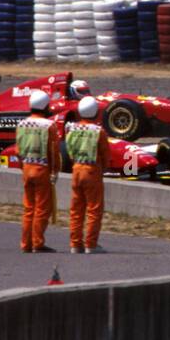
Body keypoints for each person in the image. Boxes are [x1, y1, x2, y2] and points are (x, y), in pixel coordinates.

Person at [15, 91, 60, 253]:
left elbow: (17, 150)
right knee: (42, 208)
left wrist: (23, 167)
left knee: (28, 208)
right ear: (45, 106)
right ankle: (37, 243)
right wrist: (55, 171)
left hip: (26, 168)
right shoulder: (49, 125)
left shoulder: (21, 124)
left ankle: (25, 244)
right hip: (42, 170)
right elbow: (54, 152)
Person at [65, 96, 109, 253]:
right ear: (96, 112)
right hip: (92, 170)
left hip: (76, 169)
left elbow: (69, 151)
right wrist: (103, 168)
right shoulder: (99, 131)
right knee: (94, 209)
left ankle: (75, 244)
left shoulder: (71, 129)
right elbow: (105, 155)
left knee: (76, 210)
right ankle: (91, 244)